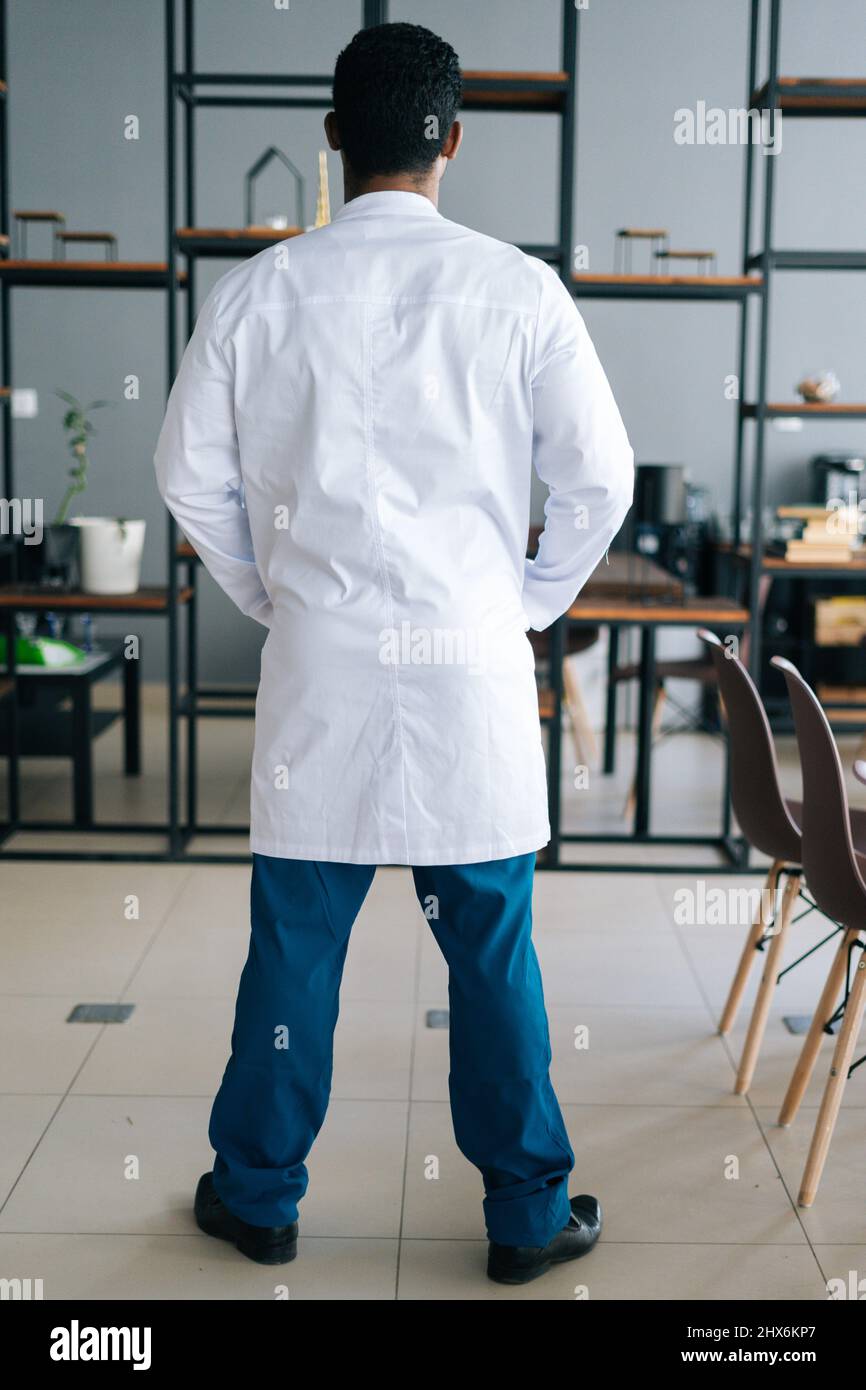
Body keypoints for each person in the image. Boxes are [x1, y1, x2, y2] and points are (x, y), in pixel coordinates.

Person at [155, 21, 633, 1287]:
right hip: (470, 670)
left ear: (331, 139)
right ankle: (525, 1217)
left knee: (293, 951)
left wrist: (269, 591)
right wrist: (522, 604)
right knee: (490, 954)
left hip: (323, 671)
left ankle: (257, 1199)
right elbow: (602, 481)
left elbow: (182, 475)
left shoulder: (261, 288)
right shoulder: (518, 287)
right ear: (452, 141)